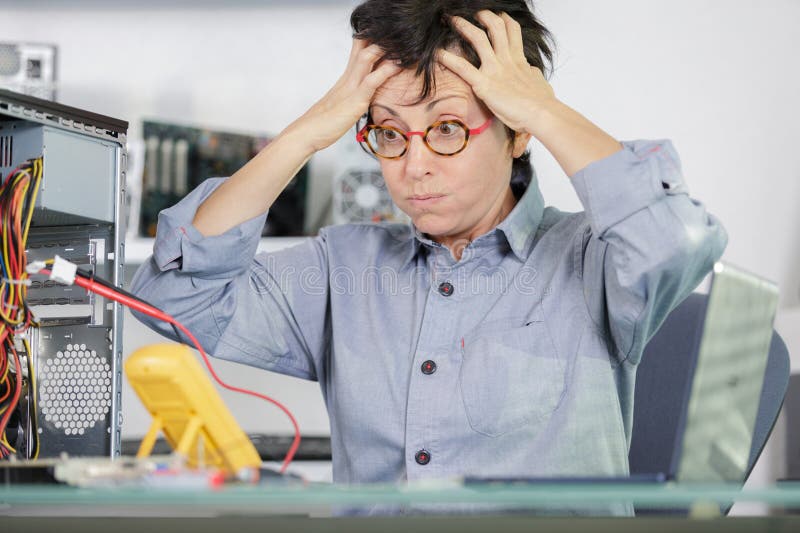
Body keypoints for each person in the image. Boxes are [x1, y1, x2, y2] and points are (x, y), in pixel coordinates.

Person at [130, 0, 727, 515]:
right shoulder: (343, 270)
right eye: (390, 134)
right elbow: (172, 295)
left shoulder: (594, 260)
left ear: (515, 132)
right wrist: (307, 134)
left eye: (447, 129)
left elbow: (674, 240)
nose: (414, 167)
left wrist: (544, 111)